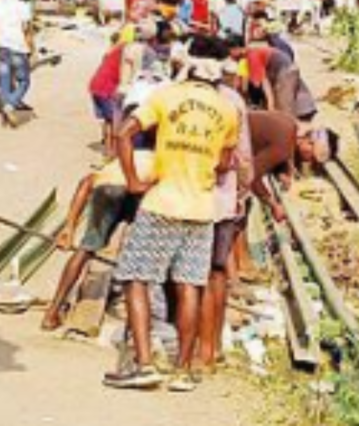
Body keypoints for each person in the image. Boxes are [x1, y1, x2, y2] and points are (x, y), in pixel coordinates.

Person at [107, 37, 240, 393]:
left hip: (162, 202)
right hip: (201, 209)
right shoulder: (228, 110)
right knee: (190, 286)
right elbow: (226, 163)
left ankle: (145, 363)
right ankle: (183, 369)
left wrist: (134, 180)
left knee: (136, 278)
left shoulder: (166, 96)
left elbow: (124, 132)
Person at [40, 152, 156, 332]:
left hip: (107, 190)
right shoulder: (159, 159)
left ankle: (52, 313)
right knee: (145, 253)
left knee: (86, 249)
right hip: (143, 190)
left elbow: (85, 183)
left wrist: (69, 228)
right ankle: (142, 321)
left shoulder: (111, 167)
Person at [198, 60, 253, 370]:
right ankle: (212, 349)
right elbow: (239, 156)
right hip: (225, 198)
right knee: (216, 273)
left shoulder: (180, 98)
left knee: (193, 278)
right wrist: (242, 193)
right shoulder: (233, 102)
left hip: (197, 199)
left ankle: (194, 352)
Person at [0, 0, 35, 127]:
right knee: (24, 81)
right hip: (18, 47)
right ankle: (10, 105)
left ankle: (6, 109)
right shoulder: (22, 5)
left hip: (1, 47)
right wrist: (32, 48)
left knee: (4, 81)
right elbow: (27, 29)